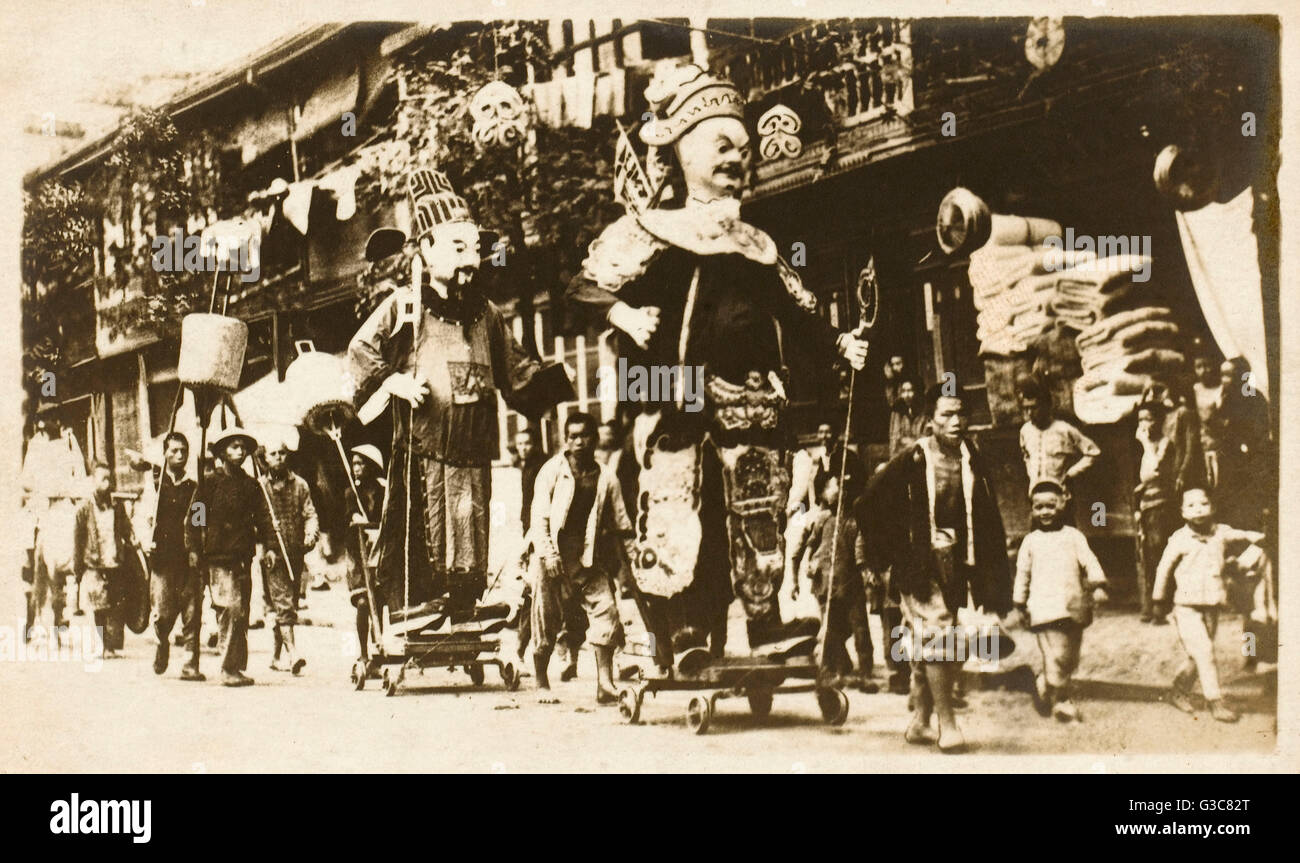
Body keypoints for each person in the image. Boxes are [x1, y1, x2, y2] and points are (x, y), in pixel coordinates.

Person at [567, 64, 870, 665]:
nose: (737, 157)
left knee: (758, 514)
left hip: (753, 404)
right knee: (685, 518)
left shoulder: (756, 242)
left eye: (743, 149)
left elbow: (799, 307)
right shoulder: (648, 229)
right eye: (722, 145)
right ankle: (687, 636)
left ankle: (765, 627)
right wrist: (623, 315)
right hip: (673, 398)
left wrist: (839, 343)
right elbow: (581, 287)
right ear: (680, 151)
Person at [347, 169, 569, 623]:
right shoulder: (405, 305)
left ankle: (466, 606)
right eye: (458, 248)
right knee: (426, 534)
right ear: (426, 248)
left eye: (475, 250)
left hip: (475, 448)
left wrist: (555, 385)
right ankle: (417, 611)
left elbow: (515, 369)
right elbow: (361, 348)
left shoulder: (486, 314)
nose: (471, 259)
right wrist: (393, 380)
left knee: (472, 524)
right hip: (423, 447)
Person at [856, 384, 1013, 752]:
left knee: (947, 642)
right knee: (940, 638)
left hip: (960, 562)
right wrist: (895, 553)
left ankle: (921, 721)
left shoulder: (973, 455)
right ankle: (948, 725)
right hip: (921, 566)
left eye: (961, 414)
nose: (956, 422)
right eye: (946, 414)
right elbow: (867, 505)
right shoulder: (912, 458)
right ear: (930, 421)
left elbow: (988, 513)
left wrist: (992, 569)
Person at [527, 413, 636, 704]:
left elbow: (622, 523)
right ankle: (540, 681)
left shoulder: (606, 477)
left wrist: (636, 560)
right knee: (546, 617)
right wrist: (548, 555)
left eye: (584, 436)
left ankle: (605, 684)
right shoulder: (552, 471)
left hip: (587, 556)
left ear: (595, 439)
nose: (579, 442)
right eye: (573, 436)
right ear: (566, 438)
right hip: (552, 556)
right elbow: (539, 518)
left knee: (607, 611)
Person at [1153, 488, 1268, 723]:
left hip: (1212, 605)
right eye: (1191, 506)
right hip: (1186, 606)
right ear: (1183, 512)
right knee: (1205, 651)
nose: (1198, 510)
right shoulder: (1179, 539)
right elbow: (1163, 569)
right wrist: (1157, 599)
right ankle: (1215, 701)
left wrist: (1257, 536)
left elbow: (1239, 534)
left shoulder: (1221, 533)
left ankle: (1177, 691)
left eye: (1204, 504)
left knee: (1198, 655)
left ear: (1212, 508)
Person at [1012, 480, 1109, 722]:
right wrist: (1019, 602)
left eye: (1051, 506)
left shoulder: (1073, 536)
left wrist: (1097, 586)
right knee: (1056, 656)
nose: (1045, 511)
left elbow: (1090, 562)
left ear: (1063, 506)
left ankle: (1044, 681)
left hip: (1073, 606)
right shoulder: (1030, 541)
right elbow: (1022, 574)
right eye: (1039, 507)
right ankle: (1061, 701)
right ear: (1032, 509)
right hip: (1043, 608)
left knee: (1070, 657)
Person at [187, 427, 275, 687]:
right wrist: (195, 545)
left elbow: (264, 517)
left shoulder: (251, 485)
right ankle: (227, 668)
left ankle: (236, 665)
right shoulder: (210, 484)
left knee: (241, 612)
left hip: (242, 557)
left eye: (242, 447)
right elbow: (196, 518)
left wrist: (269, 546)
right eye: (233, 446)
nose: (239, 451)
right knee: (229, 609)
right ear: (223, 451)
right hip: (217, 557)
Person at [792, 471, 878, 691]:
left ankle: (866, 673)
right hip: (825, 582)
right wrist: (807, 565)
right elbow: (808, 544)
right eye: (832, 487)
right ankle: (838, 669)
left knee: (860, 628)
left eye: (840, 486)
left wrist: (866, 571)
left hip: (850, 582)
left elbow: (859, 549)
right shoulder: (820, 519)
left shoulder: (853, 520)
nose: (838, 490)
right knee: (831, 630)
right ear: (822, 493)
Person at [142, 432, 204, 680]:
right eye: (175, 450)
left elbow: (200, 520)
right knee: (163, 613)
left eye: (184, 451)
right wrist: (147, 539)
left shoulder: (195, 488)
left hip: (187, 557)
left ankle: (190, 665)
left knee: (192, 613)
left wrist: (197, 549)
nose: (180, 455)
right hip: (162, 557)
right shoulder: (155, 486)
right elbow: (144, 516)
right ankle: (162, 642)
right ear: (165, 454)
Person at [260, 438, 319, 674]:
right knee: (283, 604)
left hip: (296, 554)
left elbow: (310, 513)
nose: (278, 457)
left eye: (282, 453)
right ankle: (293, 654)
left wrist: (310, 535)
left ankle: (275, 656)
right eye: (273, 453)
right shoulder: (260, 488)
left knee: (289, 604)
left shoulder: (300, 485)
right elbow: (252, 521)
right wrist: (265, 528)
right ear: (265, 458)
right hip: (272, 556)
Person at [73, 464, 142, 658]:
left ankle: (113, 644)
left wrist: (132, 542)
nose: (107, 483)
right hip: (94, 564)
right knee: (99, 607)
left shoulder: (116, 506)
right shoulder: (84, 509)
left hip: (114, 561)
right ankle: (104, 646)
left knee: (115, 604)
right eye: (103, 479)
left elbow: (126, 529)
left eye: (109, 479)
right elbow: (77, 540)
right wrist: (78, 568)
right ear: (93, 481)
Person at [1134, 400, 1180, 625]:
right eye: (1141, 419)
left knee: (1160, 552)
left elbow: (1155, 470)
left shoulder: (1164, 444)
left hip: (1162, 505)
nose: (1144, 424)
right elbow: (1140, 479)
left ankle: (1164, 606)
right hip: (1146, 505)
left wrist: (1145, 444)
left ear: (1160, 421)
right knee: (1146, 556)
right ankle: (1151, 606)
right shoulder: (1141, 446)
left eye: (1149, 419)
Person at [1016, 375, 1100, 497]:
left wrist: (1071, 474)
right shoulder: (1025, 431)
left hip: (1061, 494)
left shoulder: (1064, 429)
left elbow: (1094, 452)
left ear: (1046, 405)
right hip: (1036, 495)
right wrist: (1032, 474)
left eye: (1034, 408)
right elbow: (1026, 455)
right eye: (1026, 408)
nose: (1030, 413)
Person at [1214, 357, 1272, 531]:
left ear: (1241, 376)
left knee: (1247, 507)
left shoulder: (1254, 397)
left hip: (1249, 461)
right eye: (1222, 375)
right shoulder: (1226, 398)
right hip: (1229, 462)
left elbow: (1259, 432)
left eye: (1228, 375)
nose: (1224, 380)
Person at [345, 444, 386, 663]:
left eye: (360, 463)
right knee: (363, 602)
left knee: (377, 603)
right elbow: (346, 523)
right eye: (354, 464)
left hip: (377, 552)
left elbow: (385, 519)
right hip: (357, 555)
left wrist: (374, 528)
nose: (356, 468)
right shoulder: (351, 492)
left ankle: (378, 650)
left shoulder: (381, 490)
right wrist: (355, 520)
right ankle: (363, 653)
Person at [1191, 350, 1223, 490]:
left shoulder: (1221, 389)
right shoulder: (1195, 389)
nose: (1204, 371)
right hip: (1200, 443)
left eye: (1207, 365)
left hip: (1218, 442)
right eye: (1199, 366)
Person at [888, 377, 928, 459]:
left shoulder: (926, 413)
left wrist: (910, 442)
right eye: (903, 391)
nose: (906, 395)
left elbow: (926, 440)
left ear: (918, 392)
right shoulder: (898, 413)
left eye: (910, 391)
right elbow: (894, 441)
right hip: (901, 458)